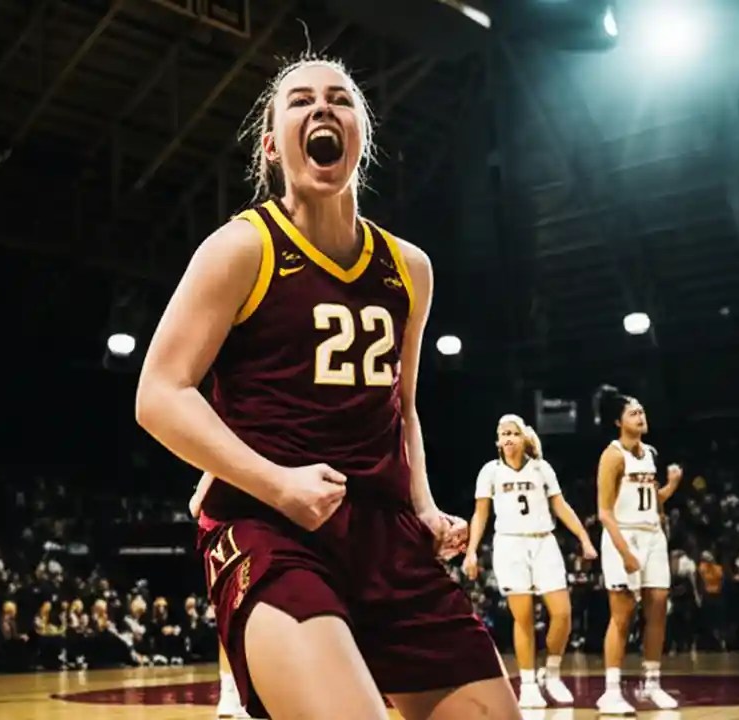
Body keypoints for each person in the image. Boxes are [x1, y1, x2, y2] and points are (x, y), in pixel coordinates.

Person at [137, 55, 520, 720]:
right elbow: (159, 395)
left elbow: (403, 409)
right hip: (267, 526)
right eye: (300, 100)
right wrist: (276, 483)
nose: (321, 109)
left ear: (361, 134)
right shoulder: (241, 249)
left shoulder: (410, 269)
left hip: (387, 535)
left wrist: (423, 506)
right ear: (271, 144)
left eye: (340, 99)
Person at [463, 415, 597, 708]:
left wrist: (584, 538)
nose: (508, 438)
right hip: (510, 544)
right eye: (503, 434)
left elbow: (560, 505)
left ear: (523, 438)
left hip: (543, 540)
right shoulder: (490, 472)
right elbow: (481, 514)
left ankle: (552, 672)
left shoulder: (541, 468)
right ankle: (528, 684)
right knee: (522, 618)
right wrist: (471, 551)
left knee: (562, 613)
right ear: (498, 441)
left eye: (513, 433)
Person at [595, 395, 682, 714]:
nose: (640, 415)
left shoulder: (651, 454)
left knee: (658, 607)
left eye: (642, 410)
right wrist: (625, 552)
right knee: (622, 615)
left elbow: (651, 500)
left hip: (652, 535)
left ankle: (652, 684)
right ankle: (611, 691)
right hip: (623, 534)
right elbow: (604, 512)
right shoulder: (612, 456)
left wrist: (671, 486)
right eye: (633, 412)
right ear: (619, 422)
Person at [189, 473, 250, 719]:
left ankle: (234, 694)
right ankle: (232, 693)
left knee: (236, 619)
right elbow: (194, 506)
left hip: (233, 534)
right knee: (235, 618)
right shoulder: (225, 460)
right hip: (225, 537)